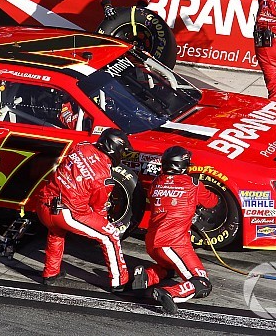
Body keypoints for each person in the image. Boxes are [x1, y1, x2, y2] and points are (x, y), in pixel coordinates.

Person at [36, 128, 132, 292]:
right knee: (111, 235)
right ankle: (120, 282)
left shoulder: (81, 146)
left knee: (56, 233)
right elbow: (99, 210)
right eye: (122, 151)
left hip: (43, 204)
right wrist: (102, 227)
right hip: (67, 213)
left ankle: (50, 274)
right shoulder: (105, 177)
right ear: (114, 148)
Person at [130, 146, 217, 315]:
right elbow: (212, 202)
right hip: (173, 243)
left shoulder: (156, 182)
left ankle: (147, 277)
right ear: (184, 165)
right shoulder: (193, 184)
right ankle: (170, 293)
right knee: (202, 283)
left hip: (152, 243)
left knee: (171, 270)